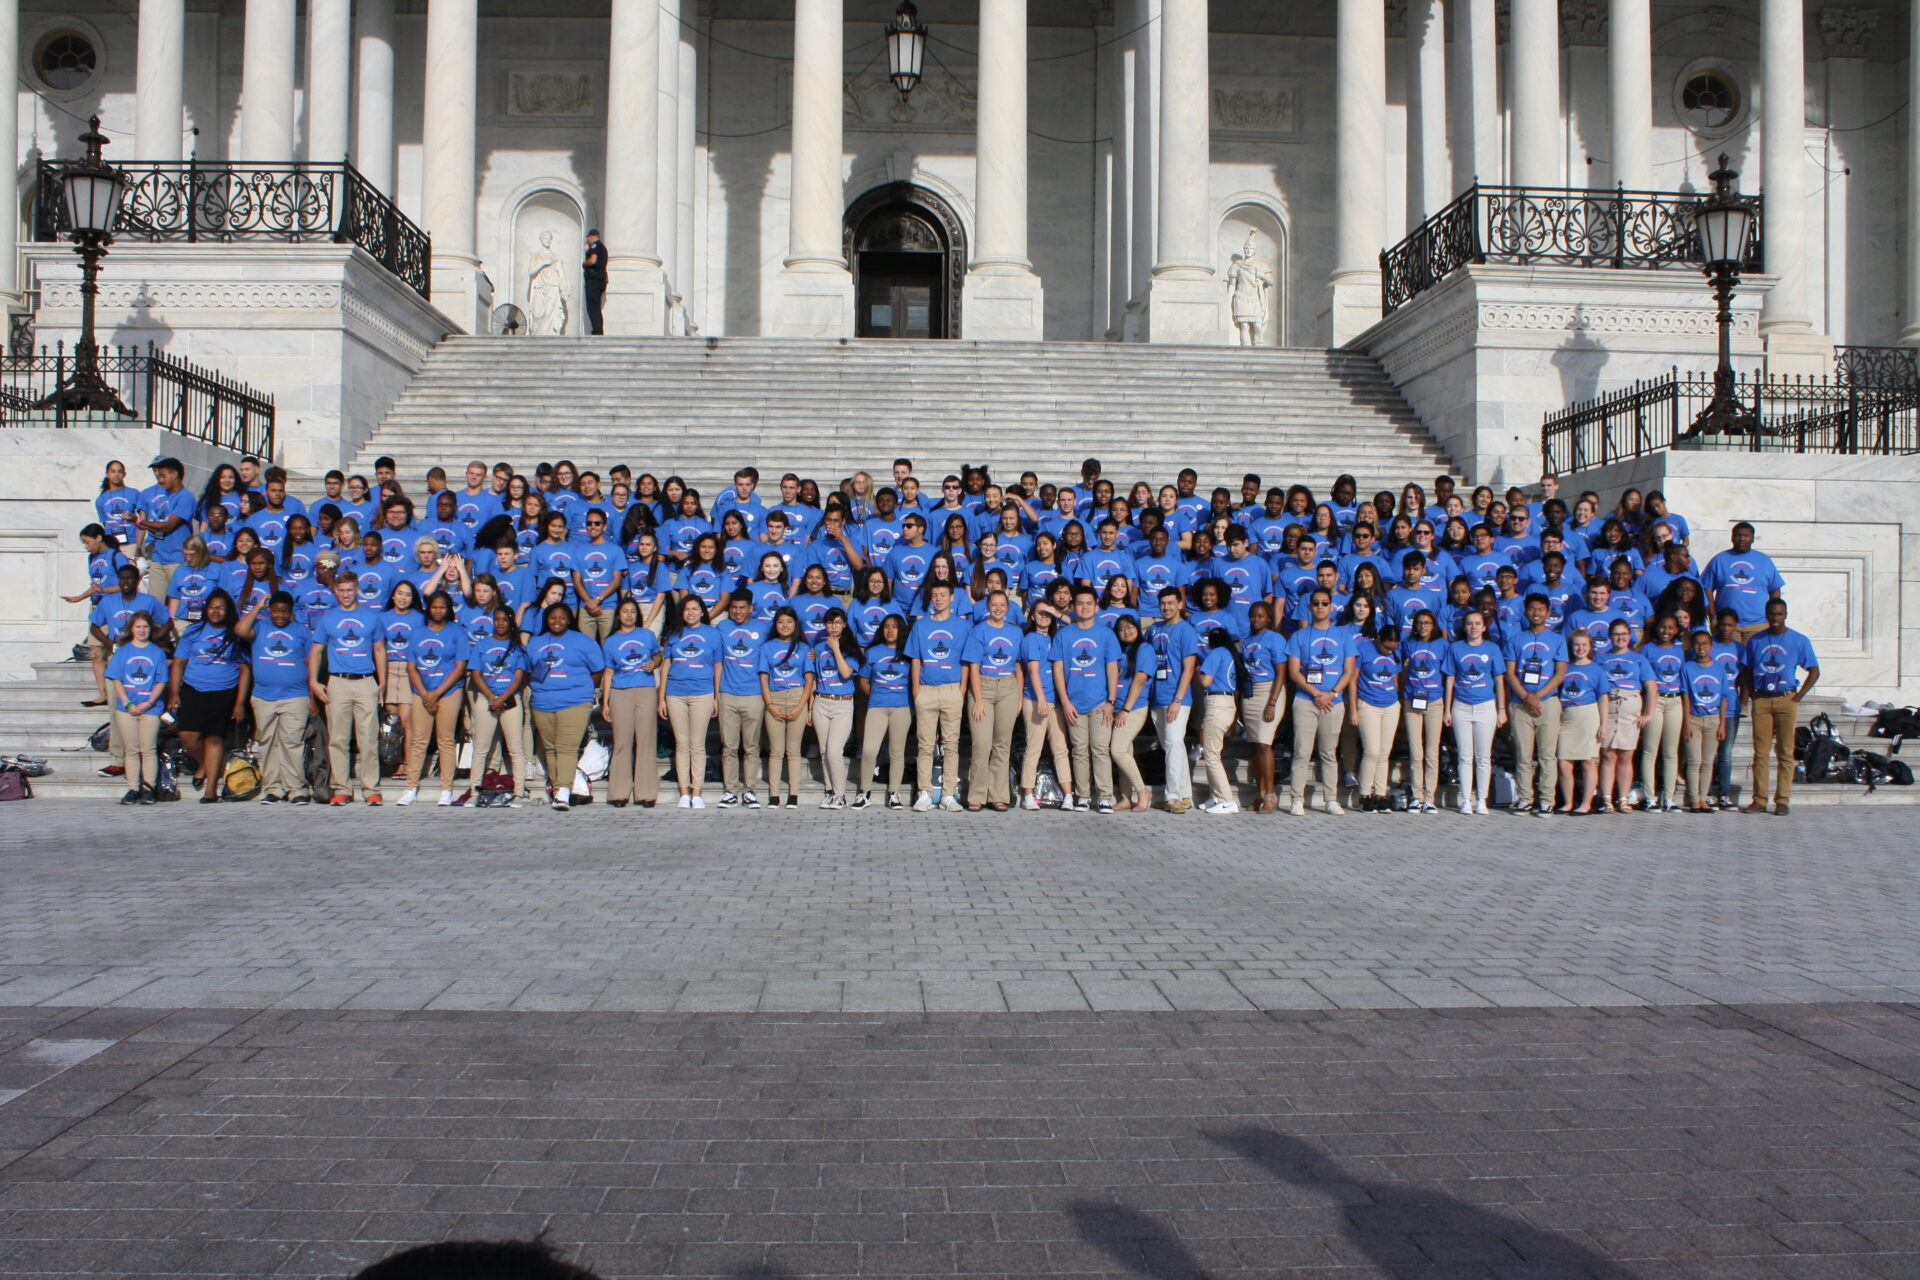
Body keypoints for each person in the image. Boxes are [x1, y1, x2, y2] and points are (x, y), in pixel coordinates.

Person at [310, 572, 387, 805]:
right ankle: (341, 788)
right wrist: (314, 681)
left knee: (368, 738)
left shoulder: (371, 617)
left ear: (357, 590)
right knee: (338, 739)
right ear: (336, 592)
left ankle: (370, 787)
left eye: (349, 590)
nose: (345, 594)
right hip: (338, 681)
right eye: (341, 590)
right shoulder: (328, 619)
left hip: (365, 680)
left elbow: (380, 650)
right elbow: (317, 651)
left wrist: (381, 683)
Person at [168, 589, 250, 804]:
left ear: (228, 610)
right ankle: (204, 764)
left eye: (221, 608)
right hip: (194, 688)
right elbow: (179, 663)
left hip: (223, 690)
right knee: (187, 735)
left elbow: (245, 670)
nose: (216, 611)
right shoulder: (194, 632)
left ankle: (211, 789)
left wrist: (240, 703)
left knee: (214, 739)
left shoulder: (235, 634)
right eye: (212, 607)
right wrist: (175, 692)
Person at [235, 590, 314, 805]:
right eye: (276, 611)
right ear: (270, 611)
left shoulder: (301, 631)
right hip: (263, 696)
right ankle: (273, 788)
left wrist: (312, 696)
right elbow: (240, 630)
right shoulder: (260, 626)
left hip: (295, 696)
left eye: (285, 612)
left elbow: (310, 663)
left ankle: (295, 788)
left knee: (292, 743)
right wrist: (258, 607)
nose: (280, 615)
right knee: (268, 742)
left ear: (291, 613)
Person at [1741, 598, 1819, 816]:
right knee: (1760, 752)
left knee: (1785, 751)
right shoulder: (1756, 640)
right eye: (1772, 614)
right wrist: (1751, 691)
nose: (1775, 618)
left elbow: (1814, 670)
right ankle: (1759, 799)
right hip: (1762, 700)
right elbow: (1746, 668)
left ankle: (1782, 799)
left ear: (1785, 615)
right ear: (1766, 615)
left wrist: (1799, 695)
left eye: (1779, 614)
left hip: (1786, 698)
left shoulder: (1798, 640)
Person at [525, 602, 605, 810]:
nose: (557, 621)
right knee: (550, 748)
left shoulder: (583, 641)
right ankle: (557, 786)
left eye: (562, 617)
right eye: (553, 618)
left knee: (567, 747)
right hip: (542, 702)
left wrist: (583, 689)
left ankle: (563, 790)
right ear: (546, 621)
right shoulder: (536, 642)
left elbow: (597, 670)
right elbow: (529, 669)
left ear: (569, 619)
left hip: (575, 701)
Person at [1051, 586, 1123, 813]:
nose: (1084, 607)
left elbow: (1113, 669)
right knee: (1079, 750)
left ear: (1096, 607)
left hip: (1100, 702)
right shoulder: (1064, 635)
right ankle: (1083, 795)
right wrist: (1065, 702)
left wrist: (1111, 701)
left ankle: (1104, 796)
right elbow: (1058, 670)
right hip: (1074, 703)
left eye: (1088, 603)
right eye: (1080, 603)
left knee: (1100, 749)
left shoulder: (1106, 634)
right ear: (1072, 606)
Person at [1285, 588, 1354, 816]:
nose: (1320, 607)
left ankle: (1331, 799)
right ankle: (1296, 799)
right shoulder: (1299, 636)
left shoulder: (1343, 635)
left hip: (1333, 701)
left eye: (1325, 603)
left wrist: (1332, 693)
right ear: (1310, 607)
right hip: (1306, 700)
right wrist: (1315, 692)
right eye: (1316, 603)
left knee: (1328, 753)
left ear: (1331, 607)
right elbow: (1294, 672)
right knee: (1302, 751)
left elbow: (1349, 671)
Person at [398, 590, 470, 807]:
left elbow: (460, 667)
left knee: (445, 740)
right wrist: (424, 692)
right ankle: (411, 787)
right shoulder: (417, 632)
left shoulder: (457, 632)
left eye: (442, 607)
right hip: (422, 690)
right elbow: (411, 667)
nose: (438, 610)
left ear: (449, 609)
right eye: (434, 606)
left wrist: (437, 693)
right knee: (419, 740)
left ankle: (446, 789)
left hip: (448, 691)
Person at [907, 582, 972, 812]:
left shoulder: (962, 626)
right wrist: (916, 689)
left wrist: (962, 689)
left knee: (951, 745)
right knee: (925, 744)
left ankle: (948, 794)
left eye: (943, 595)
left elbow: (966, 660)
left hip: (952, 689)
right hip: (926, 690)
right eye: (934, 595)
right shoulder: (921, 625)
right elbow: (915, 658)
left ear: (952, 597)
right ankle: (924, 792)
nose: (939, 598)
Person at [1503, 594, 1567, 816]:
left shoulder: (1558, 640)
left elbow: (1560, 674)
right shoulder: (1515, 639)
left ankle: (1547, 800)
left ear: (1548, 613)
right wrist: (1525, 696)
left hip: (1547, 702)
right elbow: (1510, 673)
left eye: (1541, 609)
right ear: (1525, 612)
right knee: (1523, 754)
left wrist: (1537, 696)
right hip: (1520, 704)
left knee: (1547, 755)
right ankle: (1525, 799)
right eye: (1532, 609)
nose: (1536, 613)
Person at [961, 589, 1023, 811]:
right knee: (982, 744)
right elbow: (973, 666)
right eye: (994, 604)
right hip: (984, 687)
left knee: (1002, 744)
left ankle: (998, 794)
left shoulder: (1016, 632)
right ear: (988, 607)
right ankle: (976, 795)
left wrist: (1020, 697)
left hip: (1008, 687)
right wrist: (977, 699)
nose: (998, 608)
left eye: (1002, 605)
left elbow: (1018, 665)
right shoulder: (979, 631)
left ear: (1008, 608)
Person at [600, 598, 663, 808]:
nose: (629, 615)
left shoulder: (647, 635)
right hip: (620, 692)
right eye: (625, 611)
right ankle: (619, 792)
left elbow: (658, 656)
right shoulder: (611, 641)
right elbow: (608, 673)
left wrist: (654, 663)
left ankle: (646, 793)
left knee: (646, 741)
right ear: (618, 615)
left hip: (645, 690)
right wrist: (606, 702)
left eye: (633, 612)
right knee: (622, 741)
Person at [660, 596, 722, 808]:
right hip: (675, 693)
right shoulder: (674, 634)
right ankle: (683, 792)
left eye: (695, 609)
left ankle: (697, 792)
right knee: (682, 744)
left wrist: (716, 697)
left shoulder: (713, 634)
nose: (691, 613)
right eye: (687, 609)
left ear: (703, 611)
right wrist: (661, 699)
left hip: (702, 693)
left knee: (697, 744)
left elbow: (717, 667)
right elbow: (666, 668)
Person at [467, 604, 531, 805]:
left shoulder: (517, 647)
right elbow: (476, 674)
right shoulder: (482, 644)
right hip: (487, 698)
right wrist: (490, 696)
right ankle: (474, 791)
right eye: (497, 619)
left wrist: (502, 699)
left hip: (510, 700)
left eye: (504, 619)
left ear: (511, 622)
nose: (500, 623)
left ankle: (519, 792)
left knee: (515, 748)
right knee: (481, 748)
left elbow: (518, 677)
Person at [1443, 609, 1504, 815]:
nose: (1473, 627)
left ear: (1484, 627)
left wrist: (1501, 709)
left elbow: (1499, 680)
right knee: (1465, 756)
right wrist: (1447, 709)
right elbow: (1450, 679)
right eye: (1469, 623)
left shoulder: (1492, 648)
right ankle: (1466, 799)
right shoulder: (1456, 648)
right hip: (1461, 706)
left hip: (1486, 706)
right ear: (1464, 626)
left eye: (1477, 623)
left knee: (1484, 756)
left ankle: (1482, 800)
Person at [103, 610, 167, 804]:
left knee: (148, 748)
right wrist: (128, 703)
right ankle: (132, 787)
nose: (142, 630)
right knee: (131, 749)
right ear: (131, 629)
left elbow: (161, 681)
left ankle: (149, 786)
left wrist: (148, 703)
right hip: (127, 708)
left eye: (145, 627)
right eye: (138, 627)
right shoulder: (123, 651)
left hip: (151, 708)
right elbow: (116, 679)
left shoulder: (157, 653)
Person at [713, 595, 770, 808]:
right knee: (728, 746)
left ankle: (750, 791)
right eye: (734, 608)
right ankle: (730, 791)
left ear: (751, 608)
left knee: (751, 747)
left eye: (742, 607)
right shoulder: (722, 627)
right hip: (727, 692)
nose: (738, 611)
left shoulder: (763, 628)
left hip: (754, 694)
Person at [1146, 587, 1199, 813]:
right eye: (1163, 603)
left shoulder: (1186, 631)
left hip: (1177, 698)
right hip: (1157, 697)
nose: (1166, 607)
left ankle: (1172, 796)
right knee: (1172, 747)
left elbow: (1189, 668)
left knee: (1174, 744)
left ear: (1180, 604)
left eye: (1171, 603)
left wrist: (1177, 699)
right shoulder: (1153, 630)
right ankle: (1186, 795)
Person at [1596, 619, 1656, 814]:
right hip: (1609, 705)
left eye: (1623, 634)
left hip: (1630, 706)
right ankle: (1606, 798)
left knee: (1626, 754)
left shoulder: (1638, 659)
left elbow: (1651, 685)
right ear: (1610, 636)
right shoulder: (1601, 658)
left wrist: (1649, 712)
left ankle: (1623, 798)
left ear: (1629, 636)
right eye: (1616, 634)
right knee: (1607, 754)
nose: (1620, 637)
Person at [757, 607, 813, 807]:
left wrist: (801, 706)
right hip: (775, 698)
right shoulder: (767, 647)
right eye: (780, 621)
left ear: (795, 624)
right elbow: (764, 677)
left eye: (789, 621)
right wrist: (769, 704)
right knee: (776, 750)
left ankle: (793, 794)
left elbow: (809, 680)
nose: (785, 625)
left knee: (793, 750)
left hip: (798, 697)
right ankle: (774, 794)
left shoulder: (804, 648)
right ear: (775, 624)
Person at [857, 613, 915, 809]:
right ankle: (864, 792)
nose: (890, 630)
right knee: (869, 750)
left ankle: (894, 793)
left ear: (901, 630)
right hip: (877, 706)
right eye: (887, 626)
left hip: (902, 706)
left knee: (897, 752)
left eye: (895, 627)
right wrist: (876, 694)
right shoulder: (873, 652)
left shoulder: (908, 653)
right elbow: (863, 680)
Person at [1636, 613, 1689, 812]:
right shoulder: (1647, 649)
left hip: (1675, 701)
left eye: (1671, 628)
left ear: (1676, 630)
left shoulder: (1680, 650)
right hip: (1654, 701)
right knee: (1650, 751)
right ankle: (1650, 798)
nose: (1666, 631)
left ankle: (1669, 797)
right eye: (1663, 627)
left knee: (1670, 752)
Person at [809, 608, 861, 808]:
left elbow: (846, 673)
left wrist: (837, 649)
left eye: (837, 622)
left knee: (834, 751)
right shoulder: (819, 647)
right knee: (823, 751)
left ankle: (841, 794)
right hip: (822, 700)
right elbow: (816, 677)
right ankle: (830, 791)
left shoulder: (851, 647)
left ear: (844, 624)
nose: (833, 626)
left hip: (842, 702)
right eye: (830, 623)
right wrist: (811, 705)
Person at [1238, 602, 1287, 812]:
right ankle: (1260, 792)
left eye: (1260, 616)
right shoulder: (1246, 641)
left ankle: (1270, 795)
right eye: (1253, 616)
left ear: (1268, 618)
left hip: (1269, 690)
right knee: (1255, 746)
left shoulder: (1275, 639)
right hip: (1250, 692)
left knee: (1266, 744)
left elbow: (1281, 673)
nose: (1256, 620)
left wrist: (1272, 702)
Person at [1350, 623, 1403, 812]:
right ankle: (1365, 794)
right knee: (1371, 751)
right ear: (1378, 639)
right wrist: (1354, 709)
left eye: (1393, 648)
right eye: (1387, 647)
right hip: (1368, 703)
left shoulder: (1393, 654)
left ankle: (1381, 794)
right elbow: (1353, 680)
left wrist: (1397, 699)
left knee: (1384, 753)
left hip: (1390, 703)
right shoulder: (1363, 649)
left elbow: (1395, 676)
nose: (1389, 651)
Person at [1554, 627, 1603, 814]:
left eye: (1584, 645)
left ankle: (1586, 803)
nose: (1580, 648)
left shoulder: (1596, 669)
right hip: (1566, 716)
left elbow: (1603, 698)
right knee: (1564, 761)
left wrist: (1604, 724)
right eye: (1576, 645)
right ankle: (1567, 802)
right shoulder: (1564, 667)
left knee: (1588, 761)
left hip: (1588, 715)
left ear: (1590, 646)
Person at [1108, 614, 1153, 812]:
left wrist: (1126, 709)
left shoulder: (1145, 649)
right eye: (1121, 629)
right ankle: (1126, 797)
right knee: (1125, 752)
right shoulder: (1122, 651)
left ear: (1138, 627)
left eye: (1129, 627)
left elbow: (1140, 679)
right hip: (1118, 708)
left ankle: (1143, 792)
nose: (1126, 631)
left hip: (1133, 708)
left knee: (1116, 750)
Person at [1194, 628, 1242, 814]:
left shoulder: (1217, 652)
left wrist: (1198, 670)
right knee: (1213, 753)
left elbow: (1205, 681)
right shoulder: (1230, 653)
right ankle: (1215, 796)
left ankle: (1227, 800)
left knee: (1212, 755)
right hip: (1227, 702)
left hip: (1217, 702)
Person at [1681, 627, 1729, 813]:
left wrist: (1723, 724)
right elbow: (1686, 696)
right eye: (1698, 643)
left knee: (1708, 762)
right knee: (1694, 761)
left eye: (1705, 644)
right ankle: (1693, 799)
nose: (1701, 647)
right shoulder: (1687, 667)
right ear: (1693, 646)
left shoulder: (1719, 668)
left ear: (1711, 646)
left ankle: (1703, 798)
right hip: (1694, 718)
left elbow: (1724, 698)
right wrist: (1686, 722)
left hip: (1713, 719)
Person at [582, 229, 608, 335]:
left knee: (592, 306)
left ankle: (597, 330)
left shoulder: (595, 246)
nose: (587, 240)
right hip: (600, 279)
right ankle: (597, 329)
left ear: (592, 237)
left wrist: (584, 263)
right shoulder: (602, 247)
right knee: (596, 306)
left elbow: (593, 260)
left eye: (588, 238)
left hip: (594, 279)